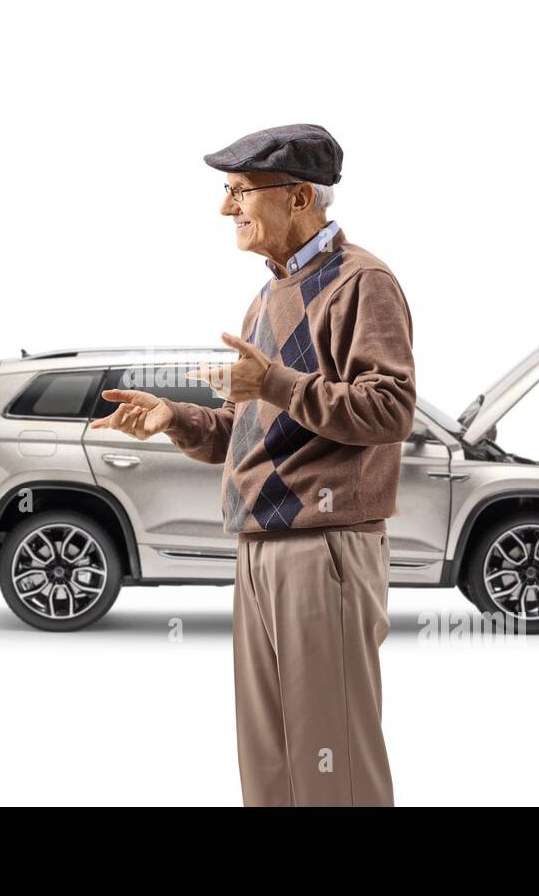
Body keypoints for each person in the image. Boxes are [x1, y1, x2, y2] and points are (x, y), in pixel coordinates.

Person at [90, 124, 416, 805]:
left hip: (325, 547)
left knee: (334, 762)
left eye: (240, 192)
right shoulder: (269, 294)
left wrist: (271, 382)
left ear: (299, 197)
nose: (225, 208)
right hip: (262, 547)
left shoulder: (363, 282)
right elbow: (253, 429)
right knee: (270, 763)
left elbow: (388, 411)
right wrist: (175, 418)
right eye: (226, 191)